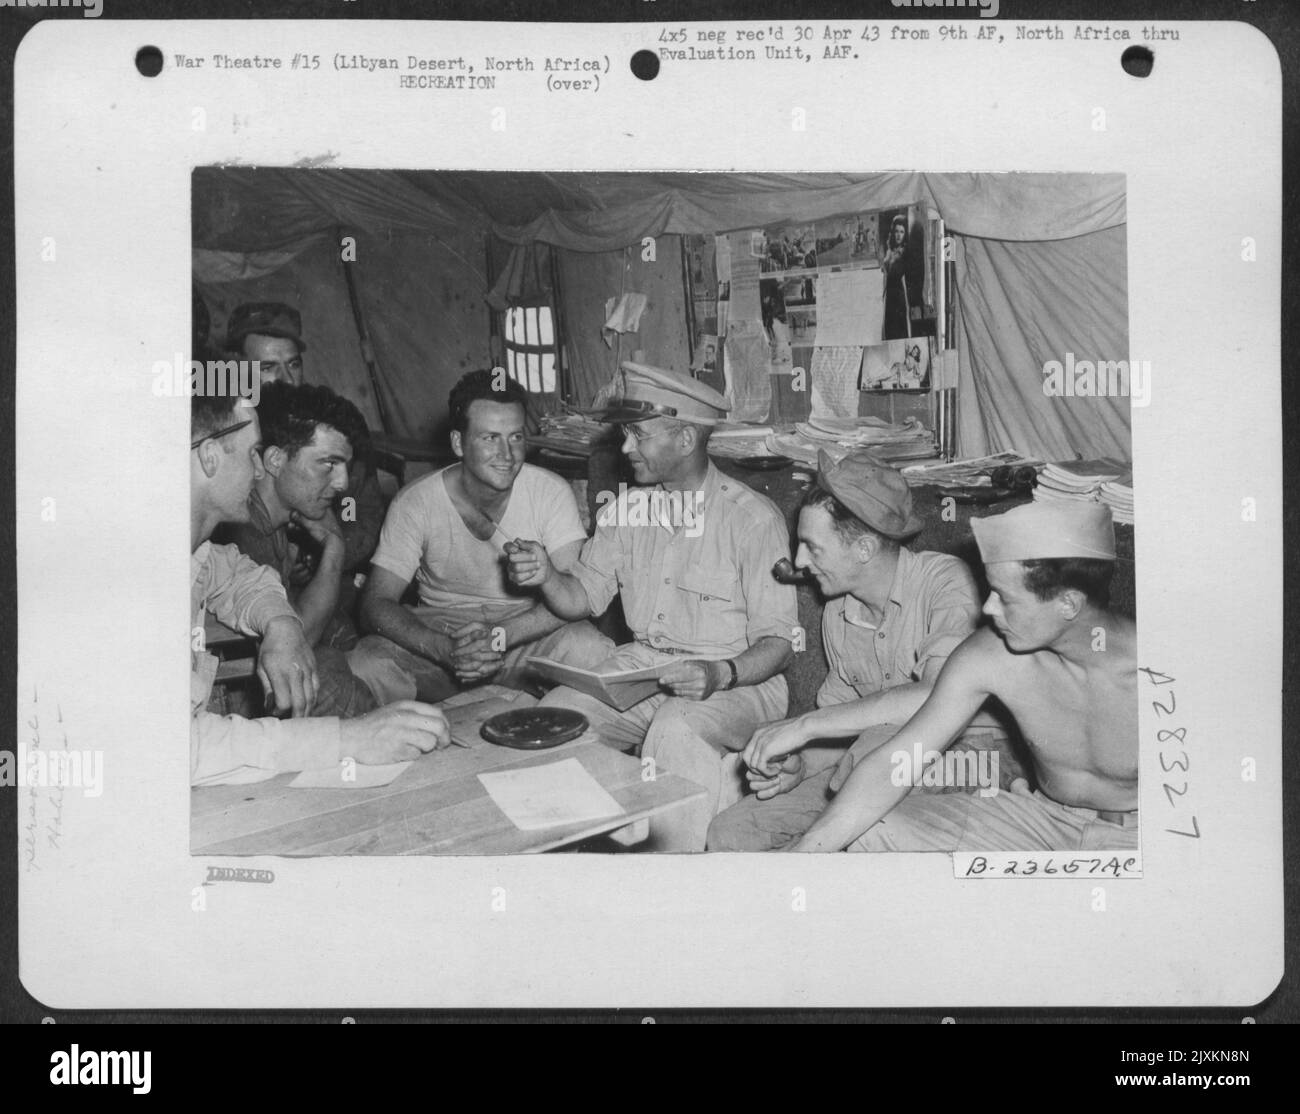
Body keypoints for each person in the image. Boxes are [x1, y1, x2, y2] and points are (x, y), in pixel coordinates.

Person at [506, 362, 799, 851]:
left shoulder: (751, 521)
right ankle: (572, 865)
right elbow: (582, 598)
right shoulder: (625, 510)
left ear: (685, 438)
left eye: (637, 435)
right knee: (554, 725)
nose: (625, 448)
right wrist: (547, 577)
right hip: (643, 667)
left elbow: (780, 644)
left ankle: (679, 881)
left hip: (738, 678)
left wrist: (717, 673)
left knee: (675, 730)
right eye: (625, 435)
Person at [790, 501, 1137, 853]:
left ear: (1068, 604)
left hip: (1139, 835)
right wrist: (806, 851)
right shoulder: (988, 654)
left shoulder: (1159, 676)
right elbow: (897, 762)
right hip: (1041, 818)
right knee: (870, 830)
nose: (987, 609)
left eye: (1004, 597)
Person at [708, 449, 1001, 851]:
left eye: (812, 547)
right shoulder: (839, 610)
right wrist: (801, 765)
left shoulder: (946, 584)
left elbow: (939, 698)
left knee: (861, 789)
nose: (799, 561)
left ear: (863, 549)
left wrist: (803, 727)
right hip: (864, 766)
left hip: (960, 764)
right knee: (731, 831)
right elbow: (844, 721)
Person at [191, 390, 448, 787]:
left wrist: (281, 621)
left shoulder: (201, 549)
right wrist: (348, 738)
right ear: (209, 457)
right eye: (252, 453)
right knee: (329, 671)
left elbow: (233, 571)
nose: (258, 471)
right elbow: (183, 749)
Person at [350, 369, 611, 702]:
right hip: (442, 634)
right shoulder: (415, 502)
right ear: (458, 443)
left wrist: (499, 637)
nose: (507, 453)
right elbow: (375, 603)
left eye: (516, 437)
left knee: (592, 650)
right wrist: (443, 648)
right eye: (490, 438)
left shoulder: (549, 492)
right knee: (365, 664)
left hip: (523, 630)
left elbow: (578, 595)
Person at [213, 381, 379, 717]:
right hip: (229, 699)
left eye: (345, 466)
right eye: (328, 464)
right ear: (275, 459)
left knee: (340, 646)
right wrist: (334, 548)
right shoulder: (243, 529)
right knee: (344, 691)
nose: (343, 484)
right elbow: (298, 641)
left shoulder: (274, 520)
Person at [227, 301, 384, 581]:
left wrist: (320, 557)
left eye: (293, 364)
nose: (286, 379)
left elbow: (364, 512)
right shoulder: (221, 430)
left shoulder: (335, 426)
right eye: (268, 367)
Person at [881, 213, 923, 342]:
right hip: (888, 295)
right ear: (893, 233)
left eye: (902, 232)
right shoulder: (889, 252)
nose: (899, 235)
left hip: (900, 296)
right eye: (896, 231)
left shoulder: (906, 253)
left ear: (905, 234)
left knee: (900, 328)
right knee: (888, 327)